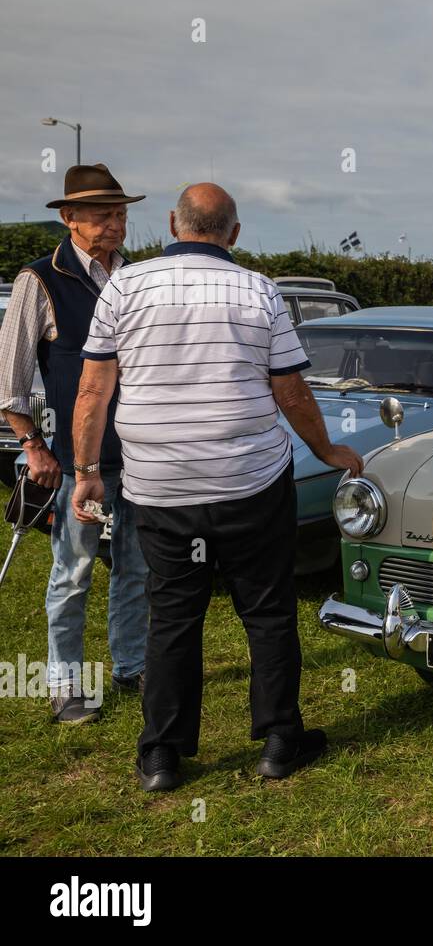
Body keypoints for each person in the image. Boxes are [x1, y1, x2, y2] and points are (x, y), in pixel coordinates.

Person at [70, 183, 364, 791]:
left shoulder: (124, 286)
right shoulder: (259, 289)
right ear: (233, 232)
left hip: (159, 484)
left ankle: (162, 755)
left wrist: (86, 470)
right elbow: (289, 390)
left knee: (172, 615)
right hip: (249, 481)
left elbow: (93, 390)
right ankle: (280, 741)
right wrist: (327, 450)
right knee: (268, 609)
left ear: (172, 222)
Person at [0, 163, 150, 724]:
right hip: (77, 462)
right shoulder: (38, 278)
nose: (115, 224)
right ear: (69, 218)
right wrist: (33, 446)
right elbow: (9, 379)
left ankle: (132, 665)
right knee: (73, 571)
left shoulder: (136, 277)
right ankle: (64, 683)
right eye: (102, 214)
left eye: (121, 213)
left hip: (141, 454)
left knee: (137, 568)